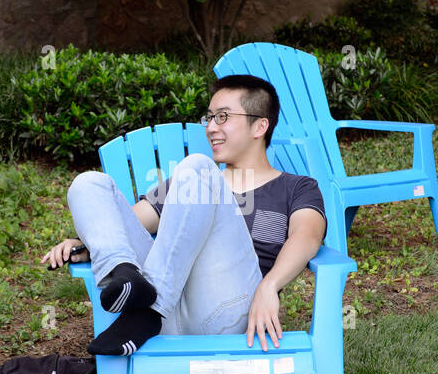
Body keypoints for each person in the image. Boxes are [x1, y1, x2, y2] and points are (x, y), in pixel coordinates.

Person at [42, 74, 327, 355]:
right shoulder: (189, 184)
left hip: (227, 311)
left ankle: (147, 313)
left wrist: (270, 285)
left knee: (198, 167)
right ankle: (129, 281)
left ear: (259, 126)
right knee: (88, 184)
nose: (211, 128)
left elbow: (307, 237)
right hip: (164, 309)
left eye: (223, 117)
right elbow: (125, 223)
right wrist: (90, 243)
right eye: (210, 117)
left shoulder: (296, 187)